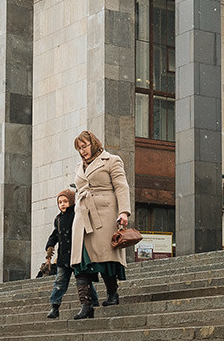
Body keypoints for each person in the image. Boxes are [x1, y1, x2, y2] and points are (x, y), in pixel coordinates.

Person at [69, 129, 131, 319]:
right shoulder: (79, 166)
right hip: (83, 216)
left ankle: (113, 293)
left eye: (84, 146)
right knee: (80, 261)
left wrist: (123, 212)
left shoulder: (111, 160)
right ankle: (86, 305)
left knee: (106, 258)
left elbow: (121, 186)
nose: (82, 151)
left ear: (93, 143)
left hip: (104, 214)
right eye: (79, 148)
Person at [43, 188, 94, 319]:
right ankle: (54, 306)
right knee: (59, 282)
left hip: (76, 255)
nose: (62, 204)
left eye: (65, 201)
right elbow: (55, 234)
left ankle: (93, 302)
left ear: (71, 201)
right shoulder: (58, 219)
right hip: (63, 257)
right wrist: (50, 246)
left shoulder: (76, 215)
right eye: (60, 202)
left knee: (83, 280)